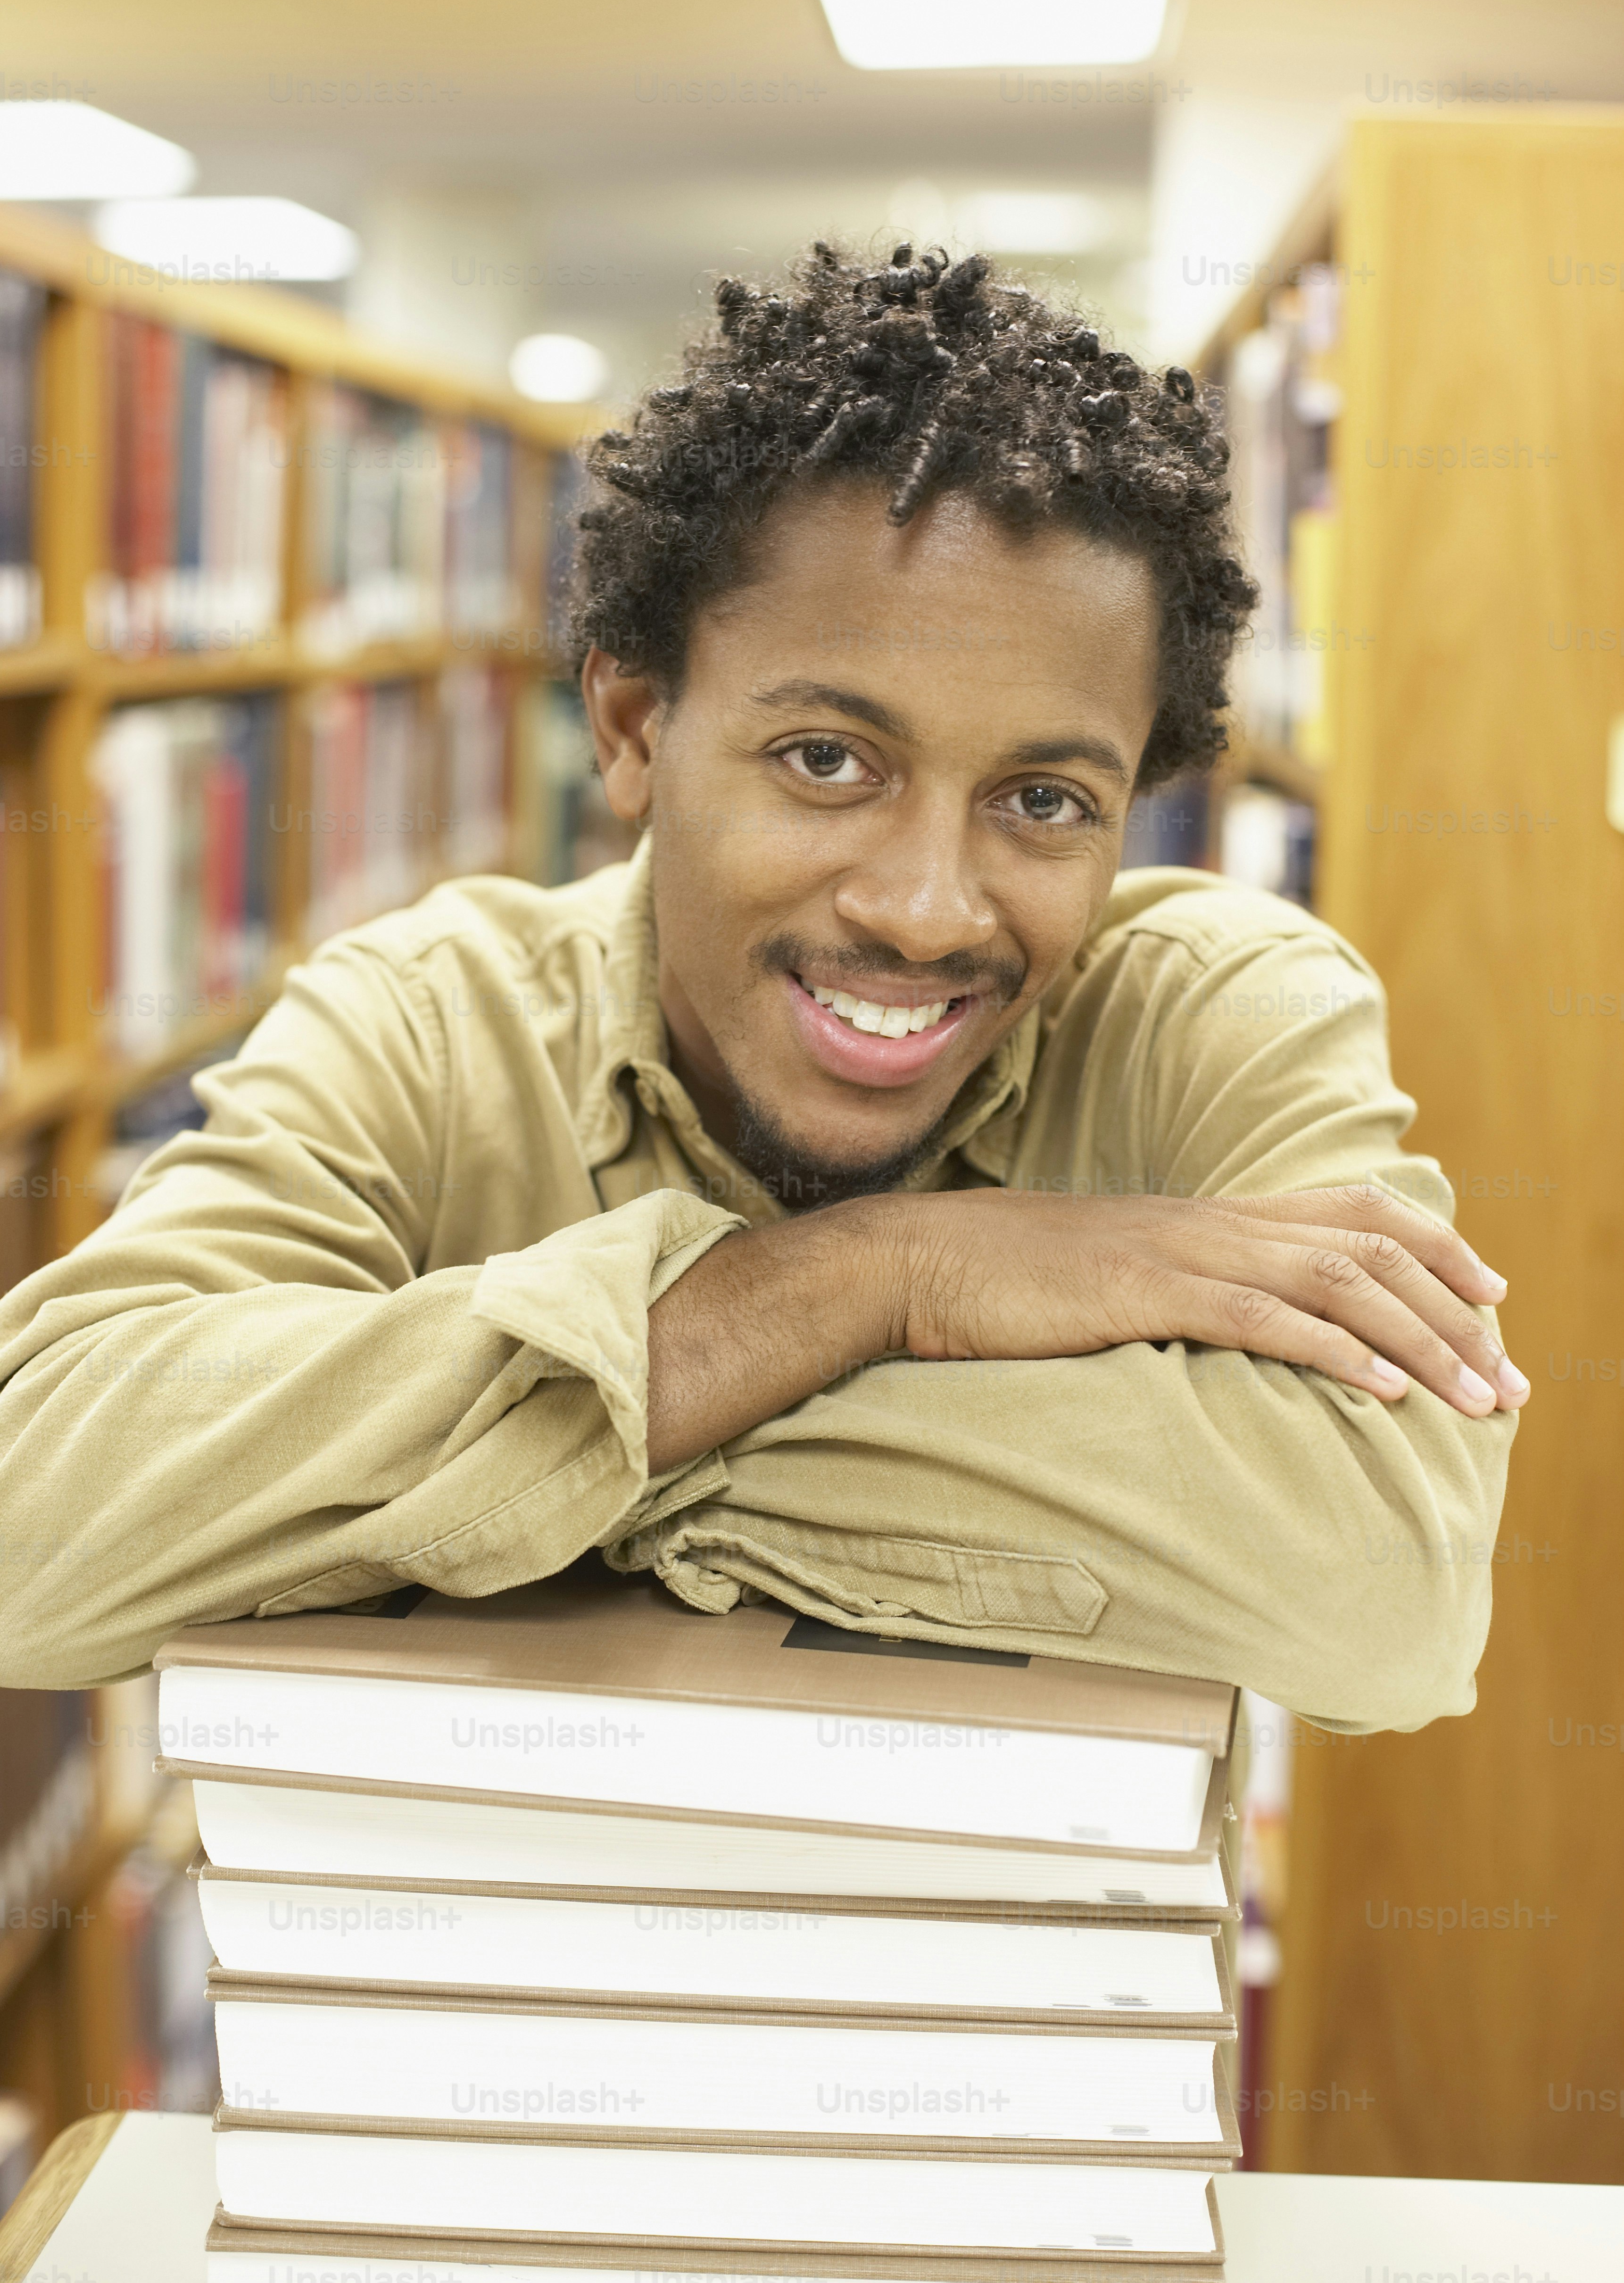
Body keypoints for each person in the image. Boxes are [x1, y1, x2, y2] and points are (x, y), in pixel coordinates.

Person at [0, 244, 1519, 1725]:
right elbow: (36, 1530)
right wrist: (873, 1280)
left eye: (1044, 801)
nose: (925, 912)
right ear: (636, 729)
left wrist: (496, 1478)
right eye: (825, 761)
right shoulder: (426, 1021)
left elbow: (1386, 1592)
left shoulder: (1214, 1015)